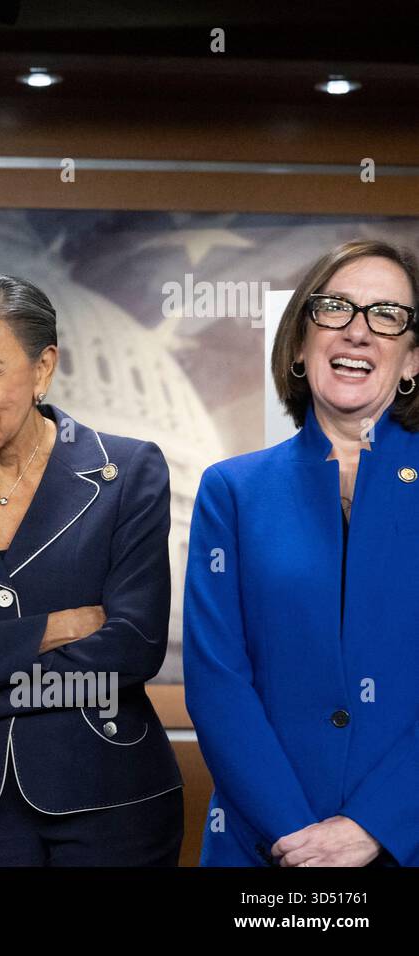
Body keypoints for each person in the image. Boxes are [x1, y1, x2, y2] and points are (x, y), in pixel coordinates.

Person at [0, 273, 183, 866]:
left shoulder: (128, 472)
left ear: (44, 368)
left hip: (110, 796)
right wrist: (52, 629)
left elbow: (133, 648)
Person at [185, 239, 419, 867]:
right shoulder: (231, 491)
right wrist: (298, 838)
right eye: (335, 309)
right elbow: (217, 684)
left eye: (387, 315)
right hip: (264, 845)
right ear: (298, 343)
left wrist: (377, 825)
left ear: (412, 360)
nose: (359, 332)